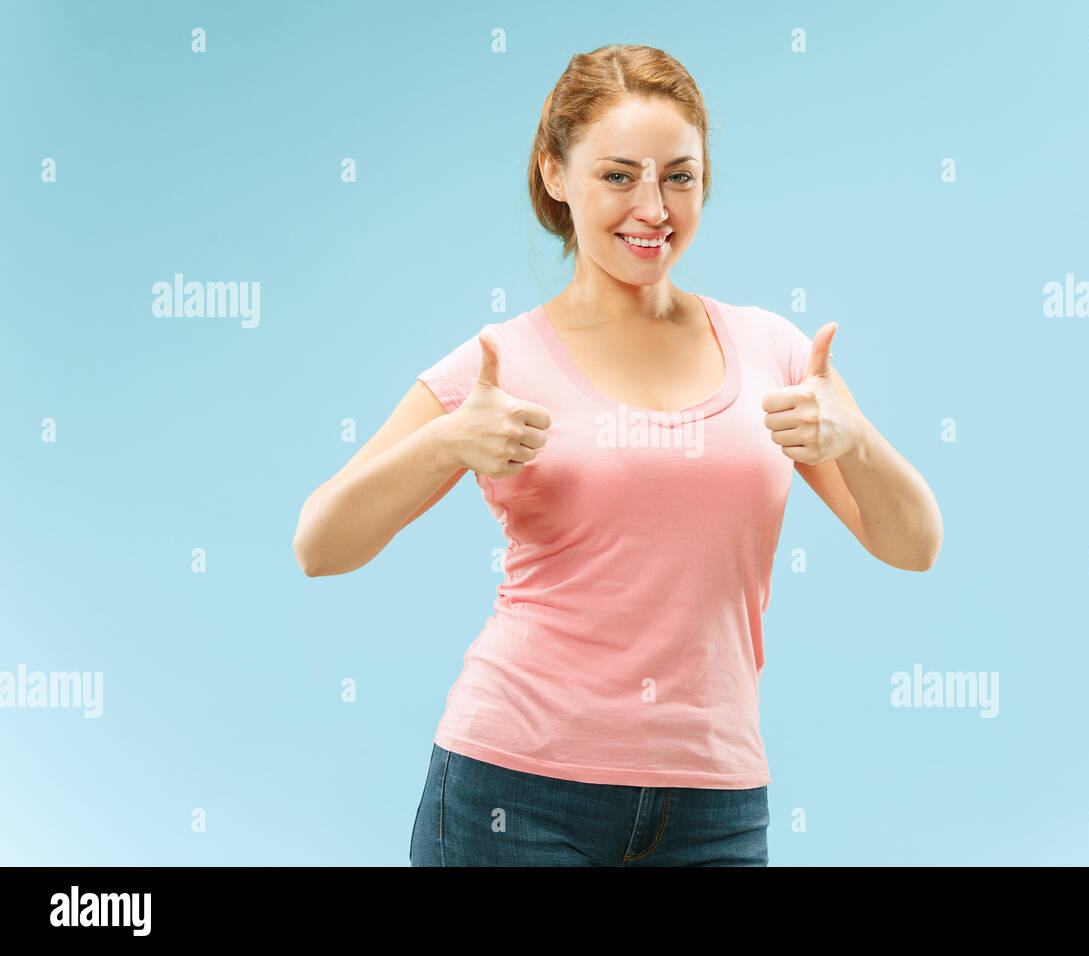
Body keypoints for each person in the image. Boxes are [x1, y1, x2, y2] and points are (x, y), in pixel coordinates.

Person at [292, 43, 943, 866]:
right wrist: (447, 443)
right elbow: (320, 544)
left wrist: (857, 441)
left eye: (679, 175)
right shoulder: (501, 361)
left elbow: (914, 545)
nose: (653, 207)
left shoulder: (772, 352)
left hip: (716, 806)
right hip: (513, 793)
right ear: (556, 175)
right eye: (617, 176)